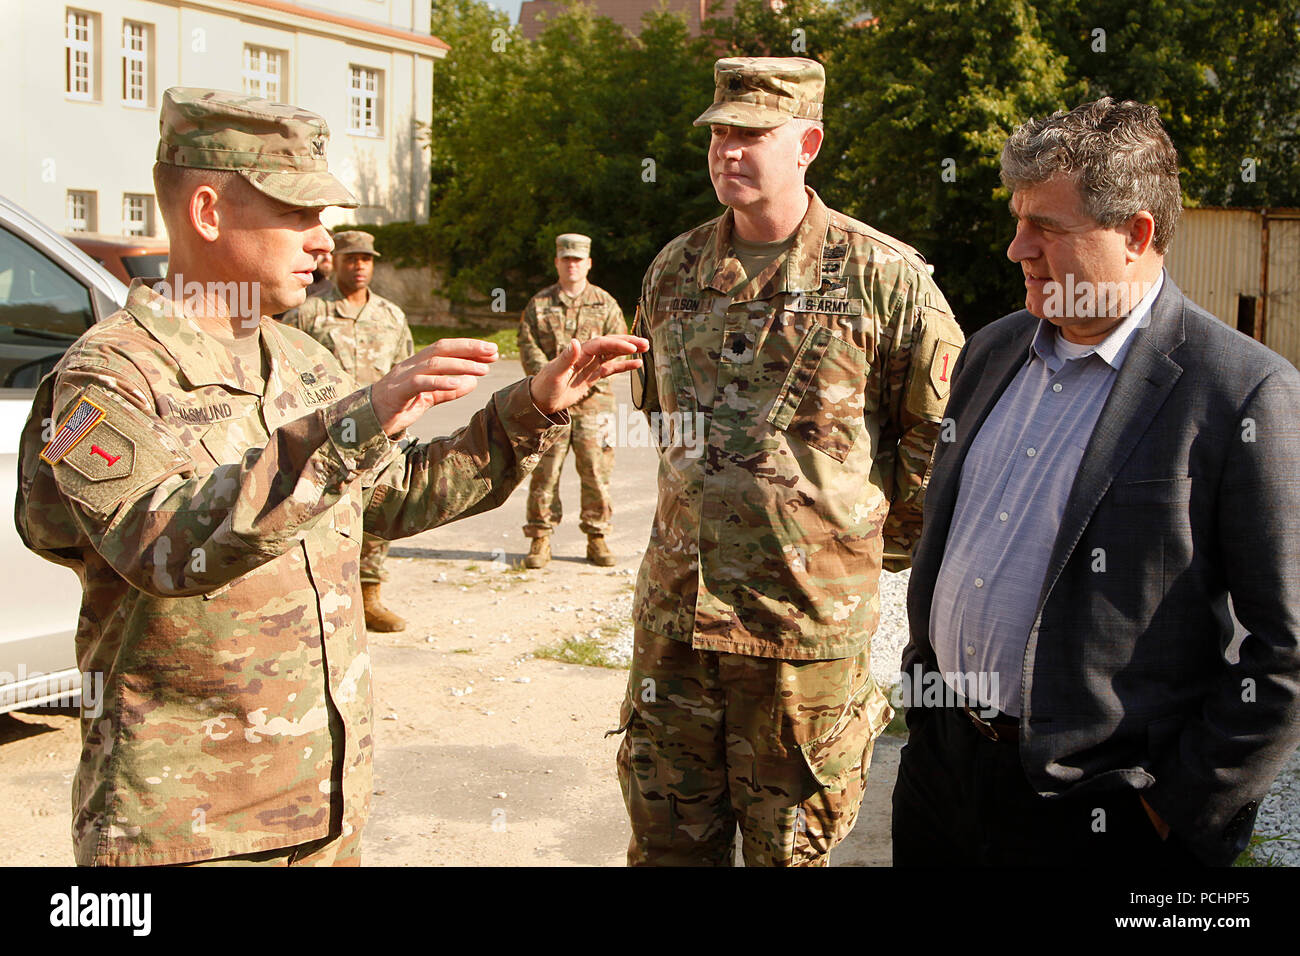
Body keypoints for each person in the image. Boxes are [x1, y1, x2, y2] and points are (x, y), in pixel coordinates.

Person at [14, 87, 646, 867]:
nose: (324, 241)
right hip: (188, 826)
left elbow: (393, 492)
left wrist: (527, 410)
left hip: (323, 803)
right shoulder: (106, 378)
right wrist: (359, 419)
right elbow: (165, 544)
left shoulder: (303, 361)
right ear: (208, 212)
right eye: (298, 215)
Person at [893, 97, 1300, 867]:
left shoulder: (1241, 393)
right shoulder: (992, 350)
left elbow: (1286, 647)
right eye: (1017, 221)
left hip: (1094, 810)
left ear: (1137, 233)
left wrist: (1172, 807)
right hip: (942, 774)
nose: (1018, 249)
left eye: (1046, 227)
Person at [614, 57, 963, 866]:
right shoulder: (673, 271)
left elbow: (936, 444)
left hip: (802, 639)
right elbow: (660, 419)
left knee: (791, 854)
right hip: (678, 629)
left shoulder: (886, 278)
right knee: (665, 848)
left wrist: (851, 558)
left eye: (752, 134)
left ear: (807, 142)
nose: (727, 150)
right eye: (718, 134)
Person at [281, 230, 415, 631]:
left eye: (366, 259)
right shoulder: (307, 313)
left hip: (379, 435)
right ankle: (318, 604)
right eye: (351, 258)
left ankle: (369, 596)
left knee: (378, 512)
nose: (359, 266)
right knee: (315, 517)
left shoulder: (390, 316)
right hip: (323, 437)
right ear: (334, 261)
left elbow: (406, 370)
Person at [516, 233, 626, 568]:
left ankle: (597, 537)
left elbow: (617, 347)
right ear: (557, 262)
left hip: (596, 405)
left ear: (589, 263)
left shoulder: (605, 304)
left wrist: (584, 383)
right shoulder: (539, 304)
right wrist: (554, 383)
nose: (572, 264)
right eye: (566, 259)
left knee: (596, 472)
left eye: (578, 259)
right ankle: (540, 539)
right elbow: (528, 345)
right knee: (544, 472)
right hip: (550, 407)